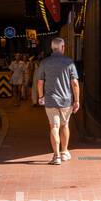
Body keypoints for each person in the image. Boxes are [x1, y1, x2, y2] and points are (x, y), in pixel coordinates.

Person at [35, 36, 80, 165]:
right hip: (66, 101)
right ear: (62, 48)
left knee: (54, 126)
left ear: (52, 48)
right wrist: (77, 100)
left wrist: (40, 97)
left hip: (50, 100)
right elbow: (75, 83)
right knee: (64, 125)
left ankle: (56, 156)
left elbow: (39, 82)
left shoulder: (44, 62)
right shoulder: (69, 62)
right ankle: (65, 152)